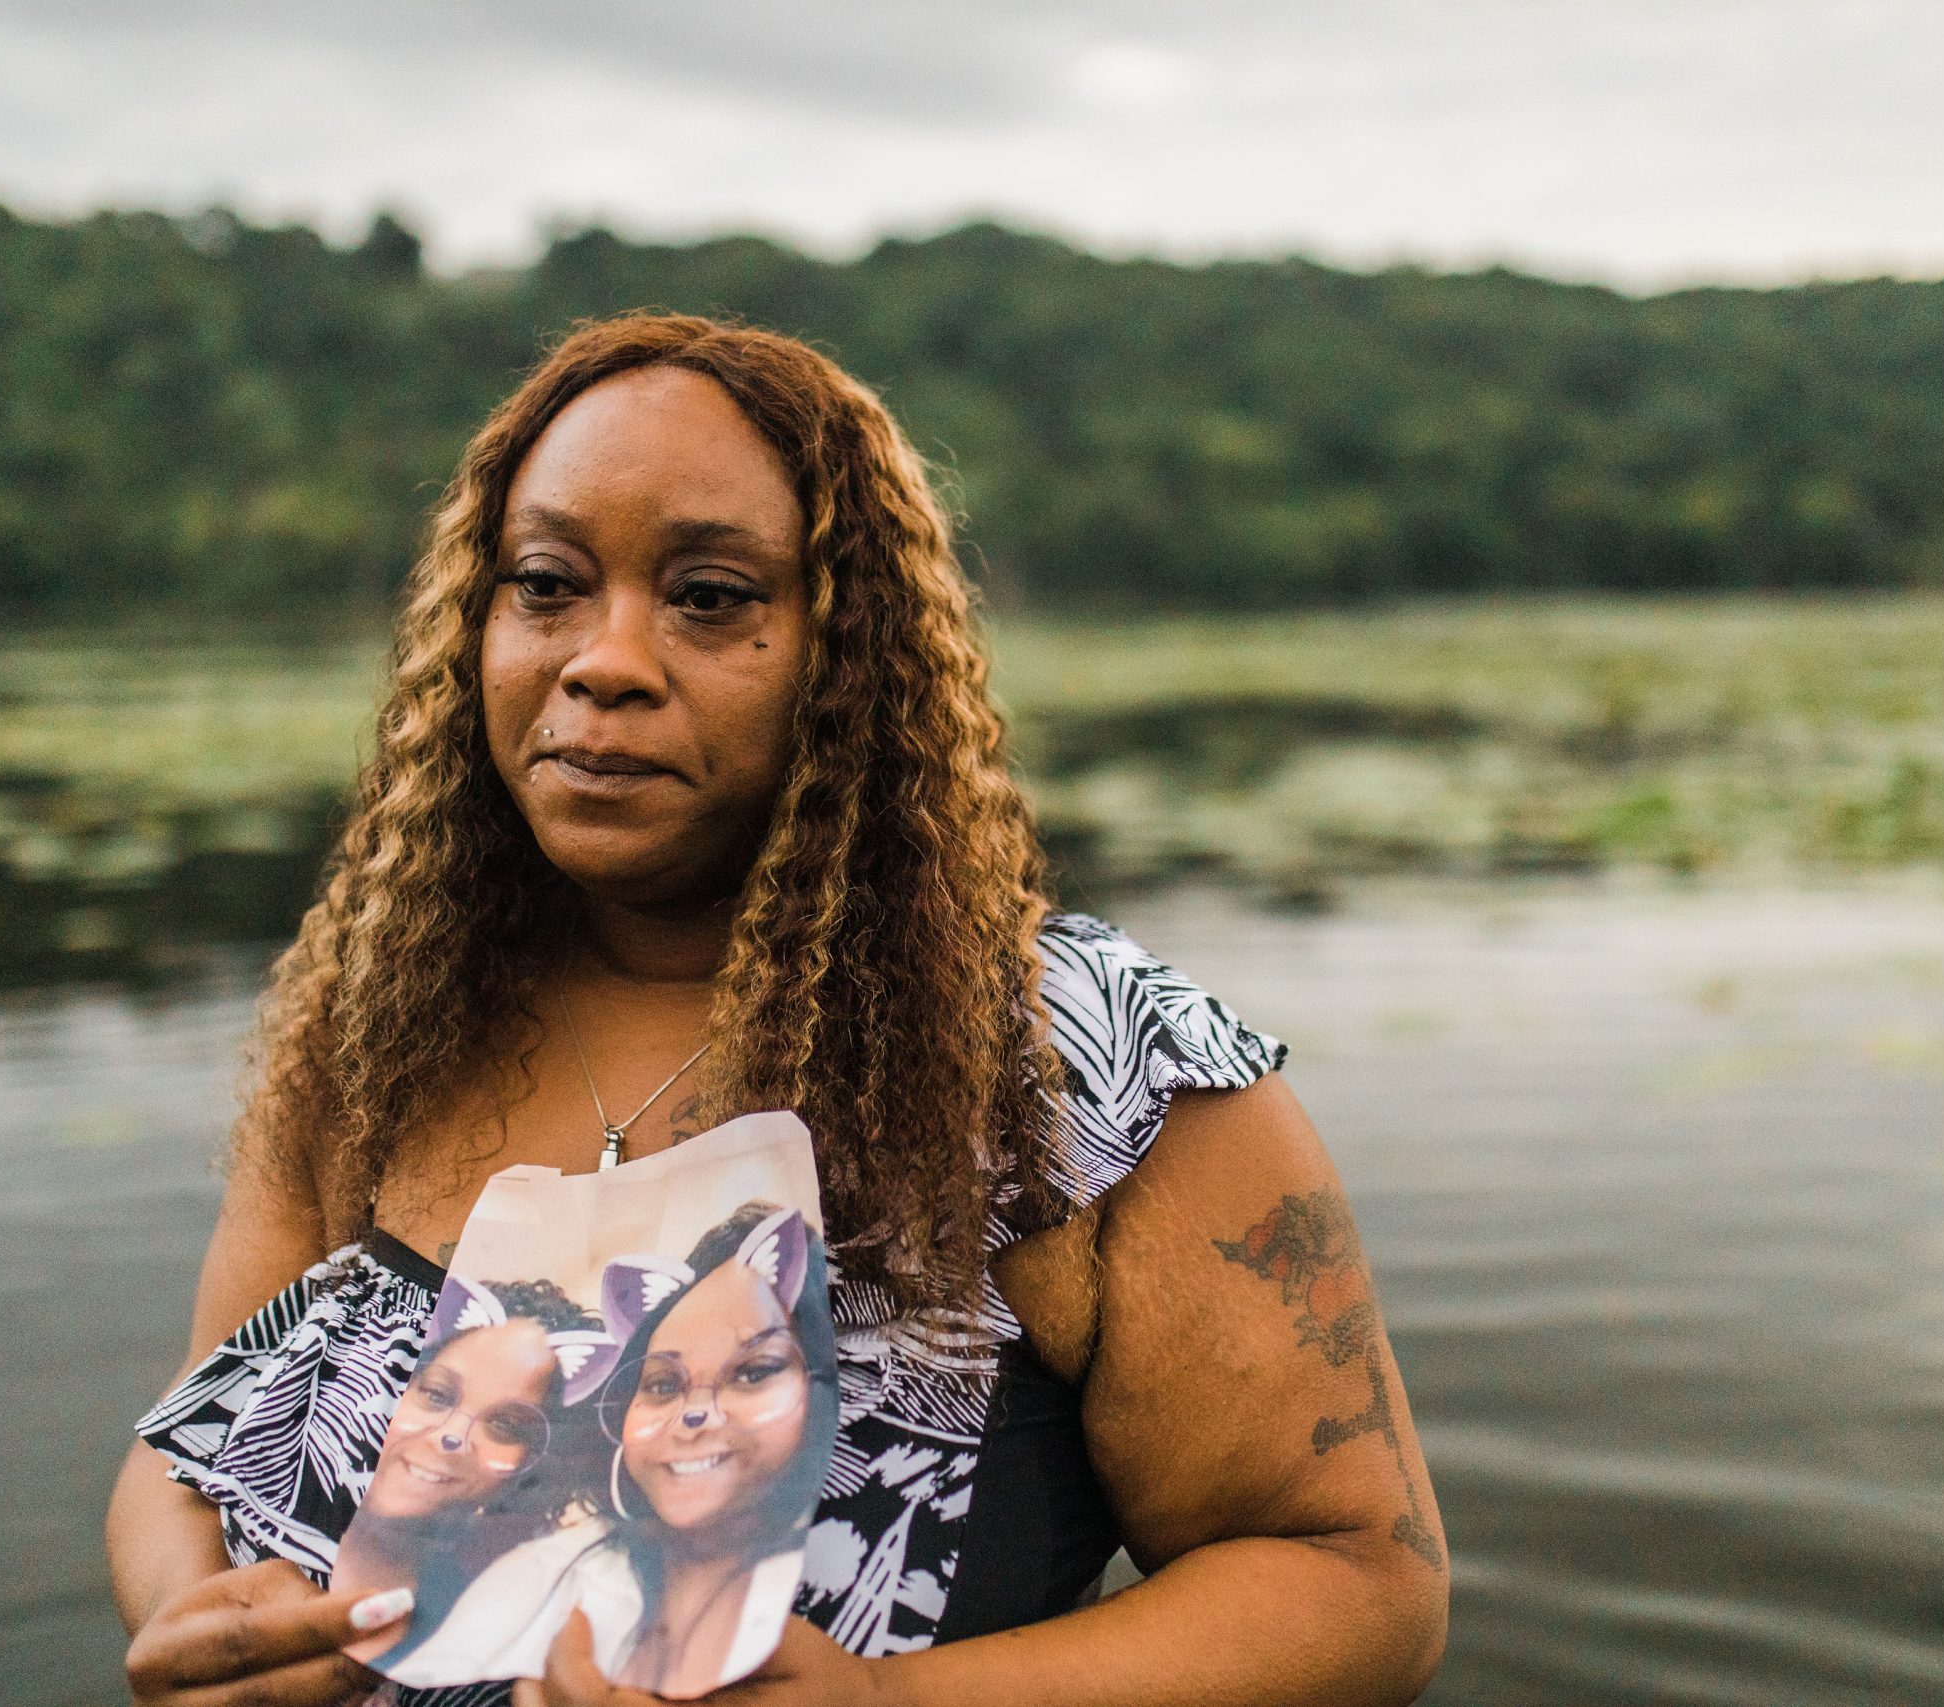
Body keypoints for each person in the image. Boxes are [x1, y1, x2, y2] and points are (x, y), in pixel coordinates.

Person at [107, 312, 1450, 1707]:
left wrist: (890, 1704)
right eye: (547, 582)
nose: (605, 658)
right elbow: (189, 1452)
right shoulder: (378, 1016)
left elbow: (1360, 1580)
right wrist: (199, 1614)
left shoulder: (1081, 1066)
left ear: (846, 659)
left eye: (708, 595)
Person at [390, 1204, 838, 1695]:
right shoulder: (548, 1571)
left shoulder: (838, 1578)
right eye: (664, 1385)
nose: (695, 1415)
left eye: (753, 1372)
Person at [329, 1278, 614, 1671]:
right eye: (437, 1395)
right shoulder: (259, 1518)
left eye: (505, 1426)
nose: (452, 1437)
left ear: (532, 1470)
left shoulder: (499, 1631)